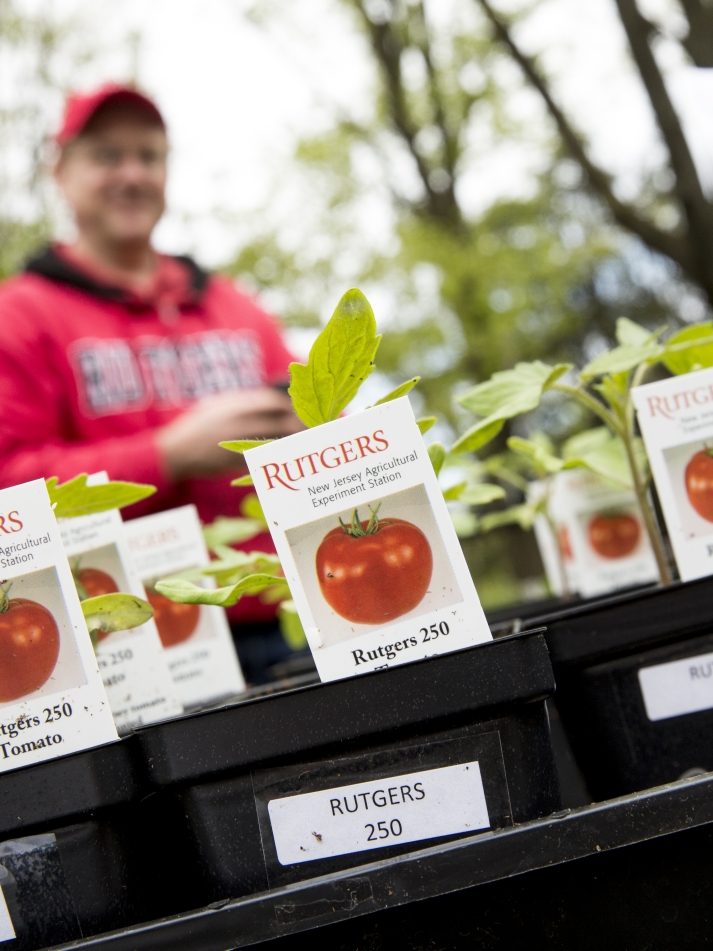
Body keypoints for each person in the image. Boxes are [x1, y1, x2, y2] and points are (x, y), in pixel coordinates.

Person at [0, 83, 305, 683]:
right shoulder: (22, 316)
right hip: (119, 647)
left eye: (149, 155)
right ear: (59, 171)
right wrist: (167, 455)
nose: (132, 175)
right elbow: (9, 488)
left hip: (275, 632)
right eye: (108, 156)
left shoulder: (233, 306)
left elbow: (317, 423)